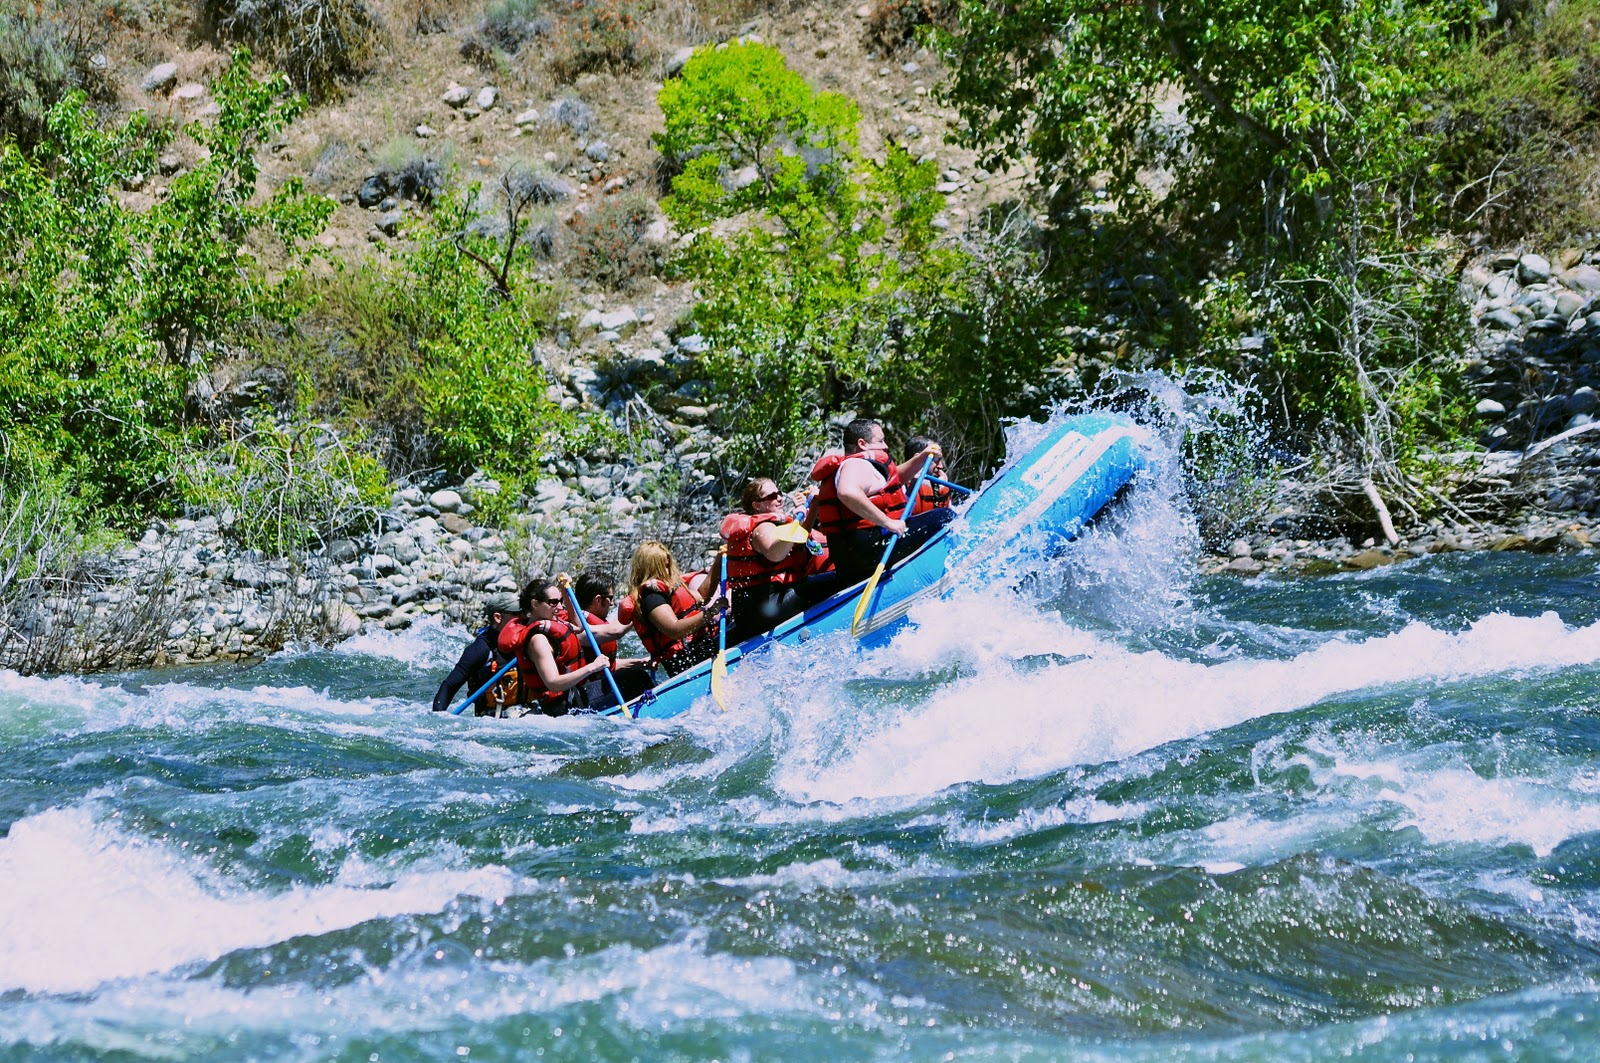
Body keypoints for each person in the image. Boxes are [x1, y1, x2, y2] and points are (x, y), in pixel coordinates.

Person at [809, 417, 954, 587]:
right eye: (881, 441)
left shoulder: (860, 465)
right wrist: (888, 522)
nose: (885, 446)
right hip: (871, 554)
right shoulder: (855, 464)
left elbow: (894, 479)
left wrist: (920, 458)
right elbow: (847, 492)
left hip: (853, 560)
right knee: (945, 516)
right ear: (862, 443)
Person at [720, 477, 832, 642]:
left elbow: (797, 542)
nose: (779, 498)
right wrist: (798, 518)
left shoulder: (775, 525)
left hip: (763, 606)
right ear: (757, 505)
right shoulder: (761, 528)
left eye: (779, 493)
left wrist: (813, 507)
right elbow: (775, 553)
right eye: (771, 496)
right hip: (765, 607)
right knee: (839, 579)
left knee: (818, 581)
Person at [497, 576, 613, 716]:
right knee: (636, 679)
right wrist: (592, 667)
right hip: (561, 706)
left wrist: (565, 592)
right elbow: (553, 683)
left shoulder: (553, 622)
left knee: (633, 675)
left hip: (573, 695)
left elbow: (579, 626)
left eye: (560, 601)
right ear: (535, 604)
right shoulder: (538, 640)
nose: (559, 607)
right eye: (553, 602)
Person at [626, 540, 729, 677]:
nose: (668, 571)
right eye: (663, 567)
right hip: (684, 662)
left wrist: (718, 561)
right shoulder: (651, 596)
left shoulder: (667, 589)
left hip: (699, 649)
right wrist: (710, 613)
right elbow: (674, 630)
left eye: (668, 566)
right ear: (650, 568)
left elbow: (702, 596)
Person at [431, 593, 520, 716]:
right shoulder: (480, 650)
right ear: (498, 617)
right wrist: (438, 718)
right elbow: (449, 686)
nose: (523, 618)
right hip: (493, 719)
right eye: (516, 614)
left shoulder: (527, 642)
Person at [574, 571, 655, 701]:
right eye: (610, 598)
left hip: (596, 683)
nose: (612, 604)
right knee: (637, 678)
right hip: (585, 693)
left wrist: (640, 663)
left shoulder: (596, 620)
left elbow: (610, 665)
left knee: (638, 673)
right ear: (598, 600)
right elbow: (616, 631)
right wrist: (637, 608)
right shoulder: (577, 625)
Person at [907, 435, 954, 516]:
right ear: (917, 458)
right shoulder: (899, 485)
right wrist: (912, 486)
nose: (941, 466)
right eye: (936, 460)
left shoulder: (941, 483)